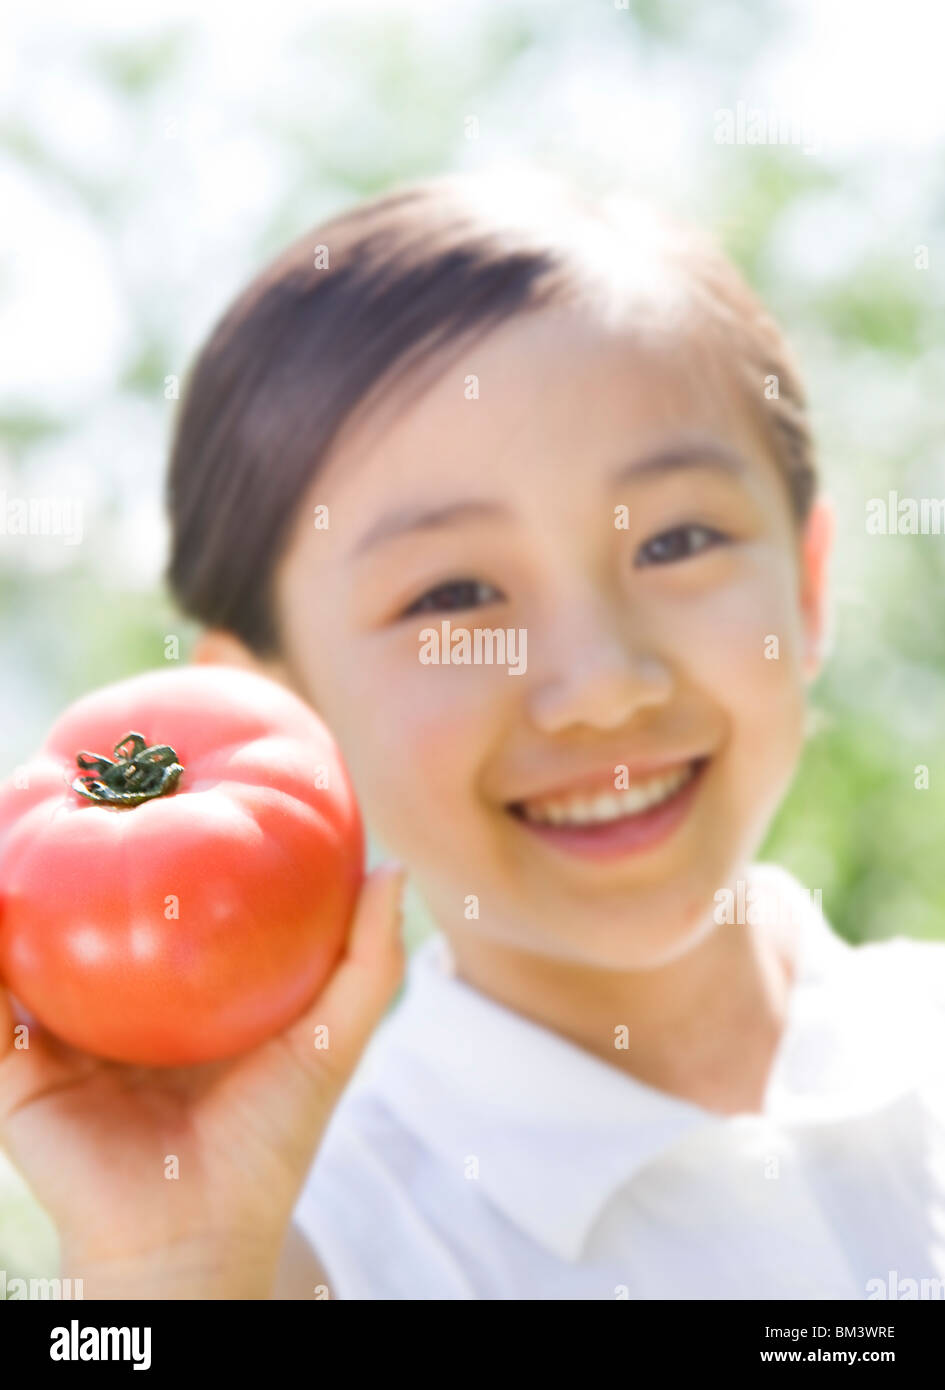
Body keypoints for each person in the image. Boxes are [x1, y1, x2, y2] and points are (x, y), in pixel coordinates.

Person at [2, 169, 943, 1300]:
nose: (602, 688)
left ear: (807, 579)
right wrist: (168, 1269)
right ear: (265, 708)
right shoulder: (303, 1256)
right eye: (452, 598)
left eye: (677, 538)